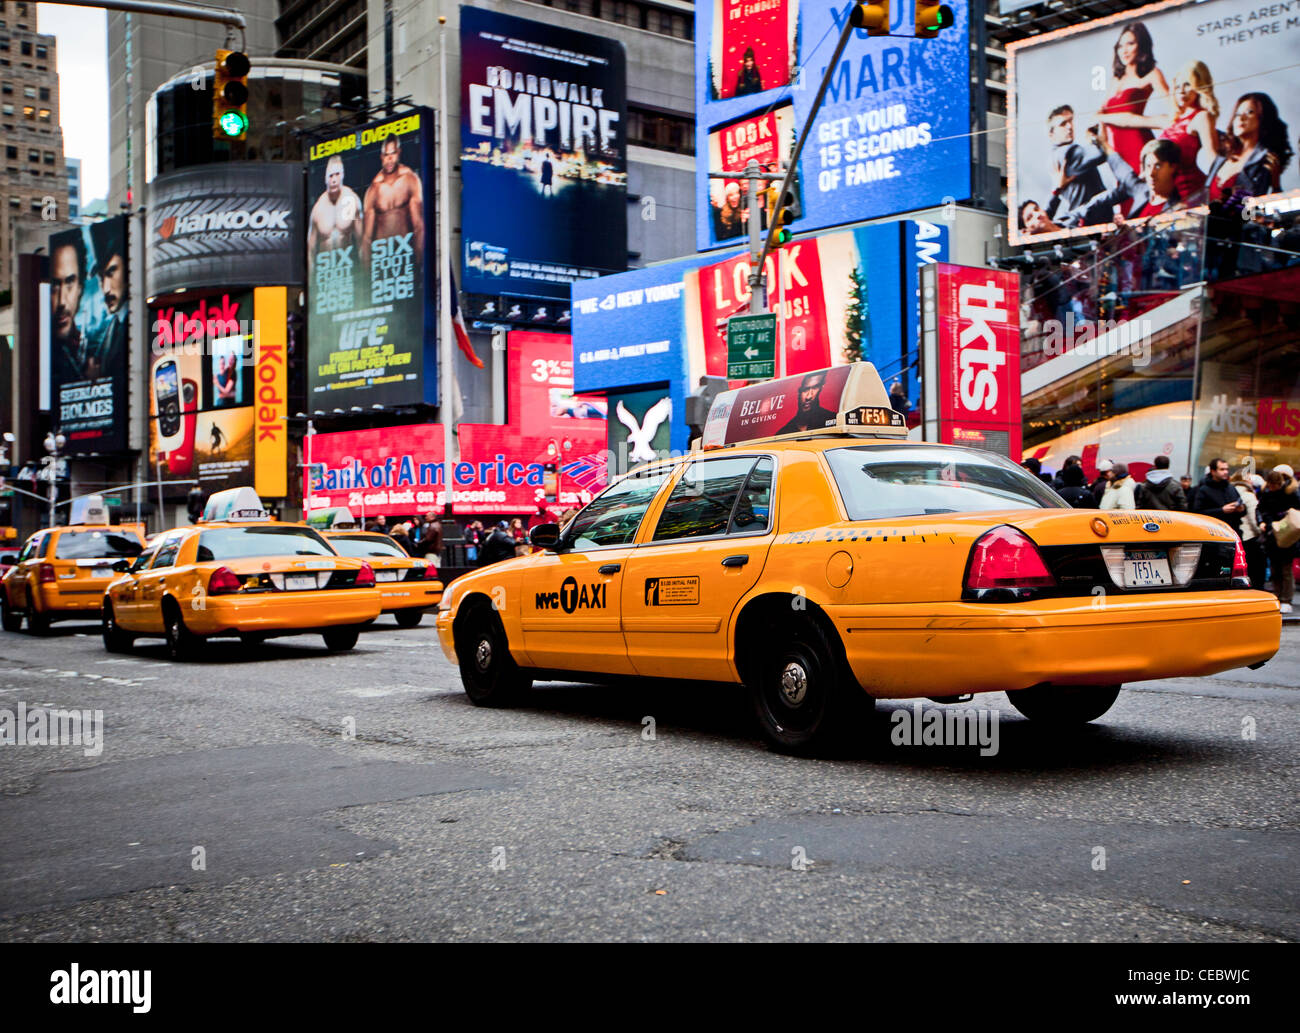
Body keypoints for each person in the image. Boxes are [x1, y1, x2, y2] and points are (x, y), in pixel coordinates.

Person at [1096, 61, 1220, 205]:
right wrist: (1100, 118)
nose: (1181, 91)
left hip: (1190, 192)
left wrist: (1217, 195)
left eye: (1187, 84)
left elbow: (1213, 161)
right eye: (1178, 86)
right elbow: (1129, 120)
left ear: (1199, 86)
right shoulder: (1171, 119)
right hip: (1169, 196)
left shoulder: (1201, 117)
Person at [1099, 21, 1169, 214]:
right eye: (1121, 45)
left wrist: (1152, 121)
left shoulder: (1152, 74)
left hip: (1139, 145)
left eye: (1130, 43)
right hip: (1118, 152)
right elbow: (1100, 116)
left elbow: (1174, 113)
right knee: (1126, 203)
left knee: (1144, 199)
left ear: (1142, 45)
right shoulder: (1116, 80)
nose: (1125, 50)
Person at [1201, 93, 1292, 204]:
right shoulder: (1223, 156)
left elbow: (1253, 209)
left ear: (1263, 118)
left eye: (1250, 112)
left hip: (1238, 220)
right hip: (1208, 220)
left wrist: (1276, 185)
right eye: (1237, 114)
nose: (1241, 118)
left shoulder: (1265, 160)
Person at [361, 136, 425, 269]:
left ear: (399, 153)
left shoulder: (409, 179)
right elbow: (366, 238)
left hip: (405, 255)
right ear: (381, 157)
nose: (389, 159)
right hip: (382, 259)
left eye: (393, 154)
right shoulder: (374, 188)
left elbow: (419, 226)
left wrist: (419, 263)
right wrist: (366, 276)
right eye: (386, 155)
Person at [1042, 105, 1110, 228]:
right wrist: (1102, 123)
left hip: (1089, 221)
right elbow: (1103, 151)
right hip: (1093, 221)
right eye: (1063, 124)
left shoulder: (1054, 157)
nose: (1070, 127)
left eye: (1070, 121)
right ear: (1051, 133)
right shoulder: (1067, 153)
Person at [307, 154, 363, 268]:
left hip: (349, 269)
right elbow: (310, 251)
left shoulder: (351, 200)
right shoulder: (318, 209)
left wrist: (365, 276)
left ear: (342, 175)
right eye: (330, 176)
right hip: (325, 272)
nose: (334, 180)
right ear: (325, 179)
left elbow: (362, 242)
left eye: (337, 174)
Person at [89, 218, 127, 378]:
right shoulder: (113, 325)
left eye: (111, 273)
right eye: (100, 278)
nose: (105, 288)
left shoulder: (141, 321)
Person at [1257, 465, 1297, 613]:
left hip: (1286, 534)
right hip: (1272, 534)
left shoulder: (1291, 494)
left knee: (1285, 568)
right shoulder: (1267, 494)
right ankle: (1279, 595)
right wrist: (1264, 522)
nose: (1272, 488)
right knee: (1276, 568)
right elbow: (1261, 509)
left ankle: (1286, 598)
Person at [49, 234, 88, 384]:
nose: (62, 302)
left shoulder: (87, 348)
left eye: (70, 282)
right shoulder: (41, 354)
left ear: (80, 288)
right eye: (55, 285)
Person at [1231, 471, 1266, 591]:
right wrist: (1260, 532)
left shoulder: (1231, 491)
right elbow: (1254, 518)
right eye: (1249, 478)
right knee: (1255, 570)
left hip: (1235, 535)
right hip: (1250, 537)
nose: (1252, 481)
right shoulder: (1249, 495)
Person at [1192, 457, 1245, 535]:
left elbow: (1242, 507)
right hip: (1214, 534)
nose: (1226, 472)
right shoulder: (1204, 490)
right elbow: (1198, 513)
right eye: (1222, 469)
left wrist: (1241, 508)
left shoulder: (1231, 488)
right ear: (1213, 471)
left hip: (1233, 532)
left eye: (1227, 469)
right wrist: (1221, 510)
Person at [778, 370, 836, 435]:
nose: (808, 397)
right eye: (805, 390)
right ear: (798, 393)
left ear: (821, 388)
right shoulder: (784, 432)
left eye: (815, 388)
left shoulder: (834, 420)